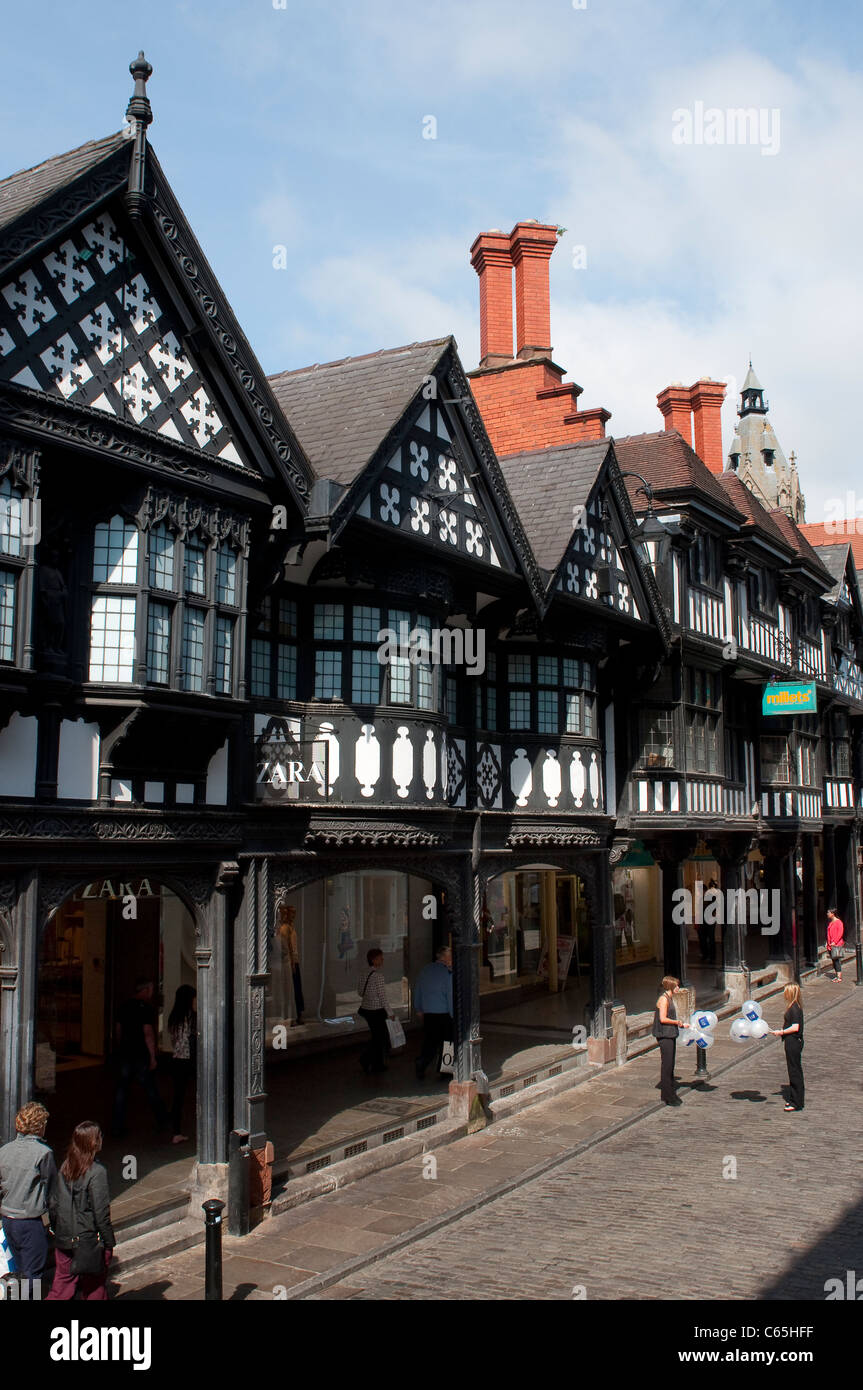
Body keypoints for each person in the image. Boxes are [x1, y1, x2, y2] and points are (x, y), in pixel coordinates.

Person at [46, 1122, 115, 1301]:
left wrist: (57, 1229)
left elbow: (54, 1203)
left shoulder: (66, 1167)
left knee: (61, 1287)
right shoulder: (96, 1172)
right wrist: (108, 1242)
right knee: (94, 1288)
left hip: (64, 1237)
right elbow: (101, 1212)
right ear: (93, 1142)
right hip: (88, 1240)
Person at [0, 1101, 57, 1294]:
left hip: (8, 1219)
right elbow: (52, 1191)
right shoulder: (43, 1153)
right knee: (33, 1274)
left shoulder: (4, 1151)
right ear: (39, 1126)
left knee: (21, 1271)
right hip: (29, 1222)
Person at [111, 979, 170, 1137]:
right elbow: (148, 1033)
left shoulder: (124, 1006)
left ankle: (117, 1125)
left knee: (122, 1090)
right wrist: (153, 1056)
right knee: (150, 1088)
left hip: (126, 1053)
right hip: (140, 1055)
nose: (152, 993)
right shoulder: (146, 1009)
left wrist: (121, 1046)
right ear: (145, 990)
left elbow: (118, 1029)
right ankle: (162, 1120)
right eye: (151, 989)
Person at [414, 946, 454, 1081]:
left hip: (428, 1013)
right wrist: (453, 1014)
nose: (451, 959)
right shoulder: (447, 973)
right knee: (447, 1042)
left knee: (430, 1041)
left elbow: (417, 989)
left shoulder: (425, 970)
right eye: (450, 956)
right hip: (443, 1013)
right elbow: (450, 995)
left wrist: (418, 1008)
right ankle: (445, 1070)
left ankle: (422, 1063)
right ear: (444, 958)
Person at [168, 985, 197, 1144]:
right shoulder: (191, 1016)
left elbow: (173, 1038)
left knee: (178, 1096)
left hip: (176, 1058)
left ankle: (176, 1131)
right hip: (189, 1059)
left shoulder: (174, 1016)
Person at [357, 948, 392, 1075]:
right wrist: (390, 1013)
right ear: (373, 960)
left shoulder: (363, 974)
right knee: (380, 1038)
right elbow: (383, 997)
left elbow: (360, 992)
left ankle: (376, 1063)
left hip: (366, 1010)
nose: (382, 960)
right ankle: (367, 1060)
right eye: (380, 958)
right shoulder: (379, 977)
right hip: (377, 1011)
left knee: (377, 1037)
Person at [653, 976, 686, 1105]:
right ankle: (667, 1096)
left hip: (670, 1034)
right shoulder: (663, 999)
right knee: (667, 1065)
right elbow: (663, 1018)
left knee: (670, 1064)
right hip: (664, 1035)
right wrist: (677, 1022)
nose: (678, 988)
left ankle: (670, 1092)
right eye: (677, 986)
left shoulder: (669, 998)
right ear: (671, 987)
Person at [772, 983, 804, 1111]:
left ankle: (796, 1102)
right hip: (791, 1041)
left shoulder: (794, 1008)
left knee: (794, 1071)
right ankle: (794, 1098)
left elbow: (795, 1027)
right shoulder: (793, 1006)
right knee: (793, 1070)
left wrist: (782, 1032)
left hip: (793, 1041)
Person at [826, 908, 845, 982]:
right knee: (834, 961)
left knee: (836, 960)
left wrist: (835, 942)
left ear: (832, 913)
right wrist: (828, 943)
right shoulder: (831, 922)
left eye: (828, 912)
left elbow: (840, 933)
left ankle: (839, 977)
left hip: (836, 945)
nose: (827, 914)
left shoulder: (838, 922)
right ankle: (837, 975)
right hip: (830, 945)